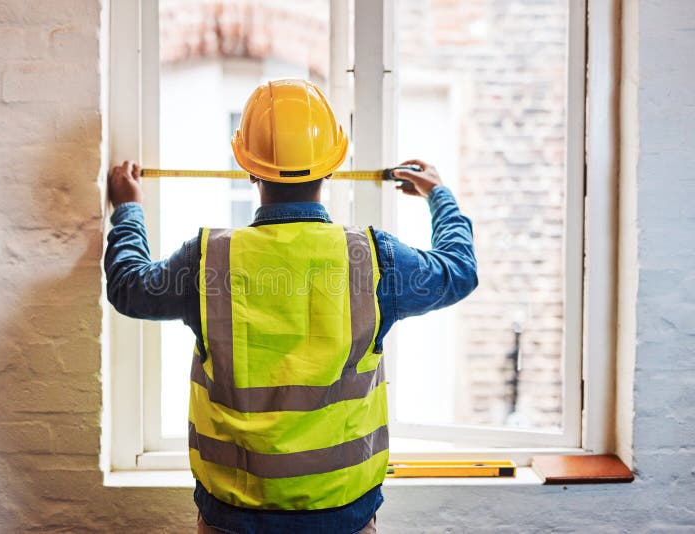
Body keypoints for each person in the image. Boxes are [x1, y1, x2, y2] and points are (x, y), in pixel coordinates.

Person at [105, 79, 478, 534]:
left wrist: (127, 208)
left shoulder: (208, 261)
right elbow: (458, 271)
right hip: (342, 515)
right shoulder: (375, 260)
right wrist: (438, 196)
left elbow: (129, 288)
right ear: (333, 169)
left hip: (234, 516)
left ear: (248, 169)